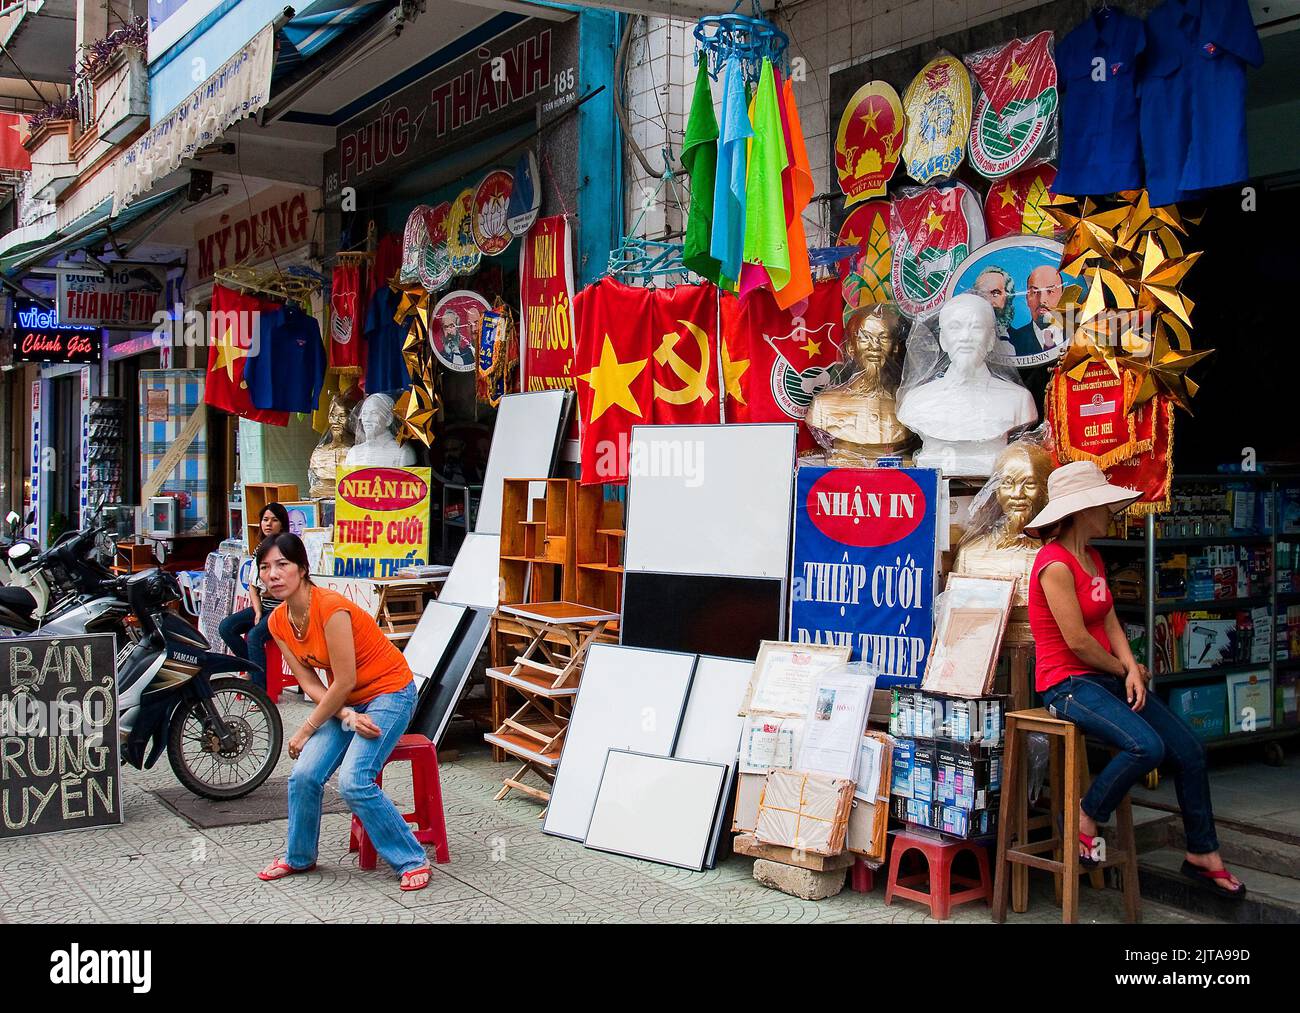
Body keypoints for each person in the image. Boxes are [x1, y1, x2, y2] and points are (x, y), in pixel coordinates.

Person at [1025, 461, 1245, 897]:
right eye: (1102, 505)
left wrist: (1132, 667)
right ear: (1082, 510)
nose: (1110, 511)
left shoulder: (1094, 557)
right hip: (1066, 684)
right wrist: (1125, 670)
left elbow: (1109, 623)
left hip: (1102, 677)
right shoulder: (1054, 563)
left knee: (1190, 751)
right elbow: (1077, 643)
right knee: (1146, 747)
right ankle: (1087, 815)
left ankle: (1202, 852)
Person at [254, 532, 431, 891]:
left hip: (390, 693)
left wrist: (306, 729)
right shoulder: (277, 621)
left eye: (282, 565)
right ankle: (298, 856)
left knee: (354, 780)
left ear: (303, 569)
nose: (272, 574)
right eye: (265, 567)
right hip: (345, 702)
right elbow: (309, 683)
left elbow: (344, 679)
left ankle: (411, 858)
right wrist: (345, 715)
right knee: (304, 775)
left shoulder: (330, 607)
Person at [218, 502, 290, 689]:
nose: (268, 524)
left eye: (274, 520)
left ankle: (260, 691)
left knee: (255, 636)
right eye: (265, 520)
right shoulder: (259, 549)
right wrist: (257, 611)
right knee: (226, 627)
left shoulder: (288, 548)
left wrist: (270, 591)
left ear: (282, 524)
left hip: (283, 609)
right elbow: (253, 585)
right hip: (264, 607)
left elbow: (288, 587)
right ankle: (252, 669)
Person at [1008, 266, 1065, 356]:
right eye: (1035, 292)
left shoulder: (1079, 333)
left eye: (1050, 291)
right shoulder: (1013, 342)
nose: (1042, 300)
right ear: (1027, 298)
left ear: (1063, 295)